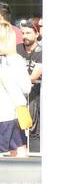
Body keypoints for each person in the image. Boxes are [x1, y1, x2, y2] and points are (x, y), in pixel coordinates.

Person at [0, 10, 32, 157]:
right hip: (10, 116)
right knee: (19, 155)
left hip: (12, 116)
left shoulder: (14, 60)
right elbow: (26, 87)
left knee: (18, 155)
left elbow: (26, 87)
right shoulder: (14, 59)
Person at [17, 20, 41, 150]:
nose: (24, 36)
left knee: (32, 128)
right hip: (17, 95)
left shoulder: (42, 51)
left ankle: (33, 154)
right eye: (23, 33)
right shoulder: (17, 49)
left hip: (33, 95)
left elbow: (35, 76)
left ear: (37, 34)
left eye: (28, 33)